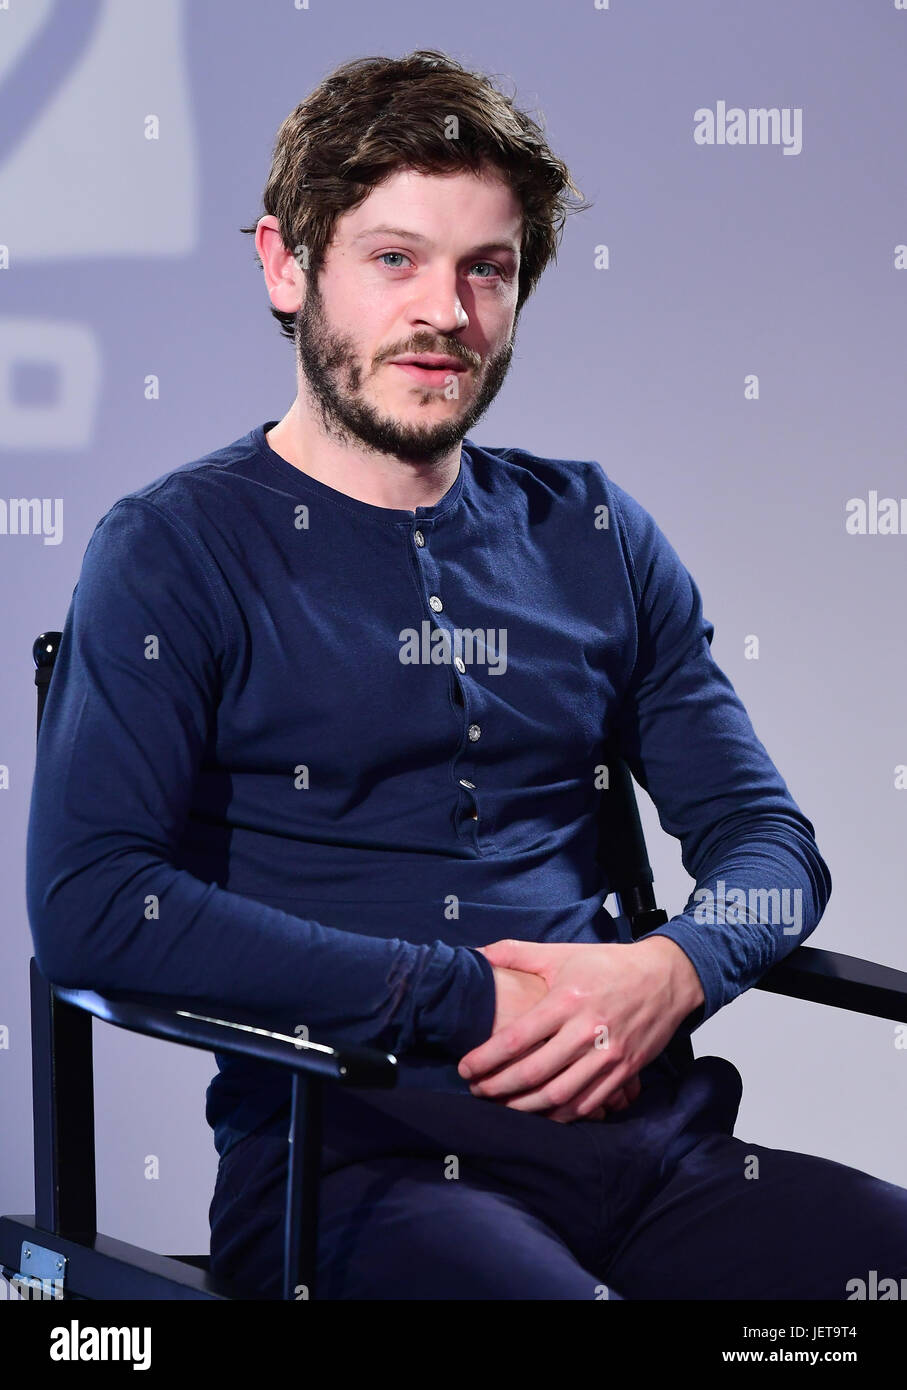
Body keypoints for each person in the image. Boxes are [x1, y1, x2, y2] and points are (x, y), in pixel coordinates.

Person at [26, 49, 907, 1300]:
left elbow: (773, 849)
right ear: (287, 264)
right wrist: (460, 998)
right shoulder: (174, 552)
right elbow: (95, 905)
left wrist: (676, 968)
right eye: (393, 259)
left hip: (658, 1159)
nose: (444, 310)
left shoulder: (593, 532)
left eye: (484, 268)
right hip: (356, 1172)